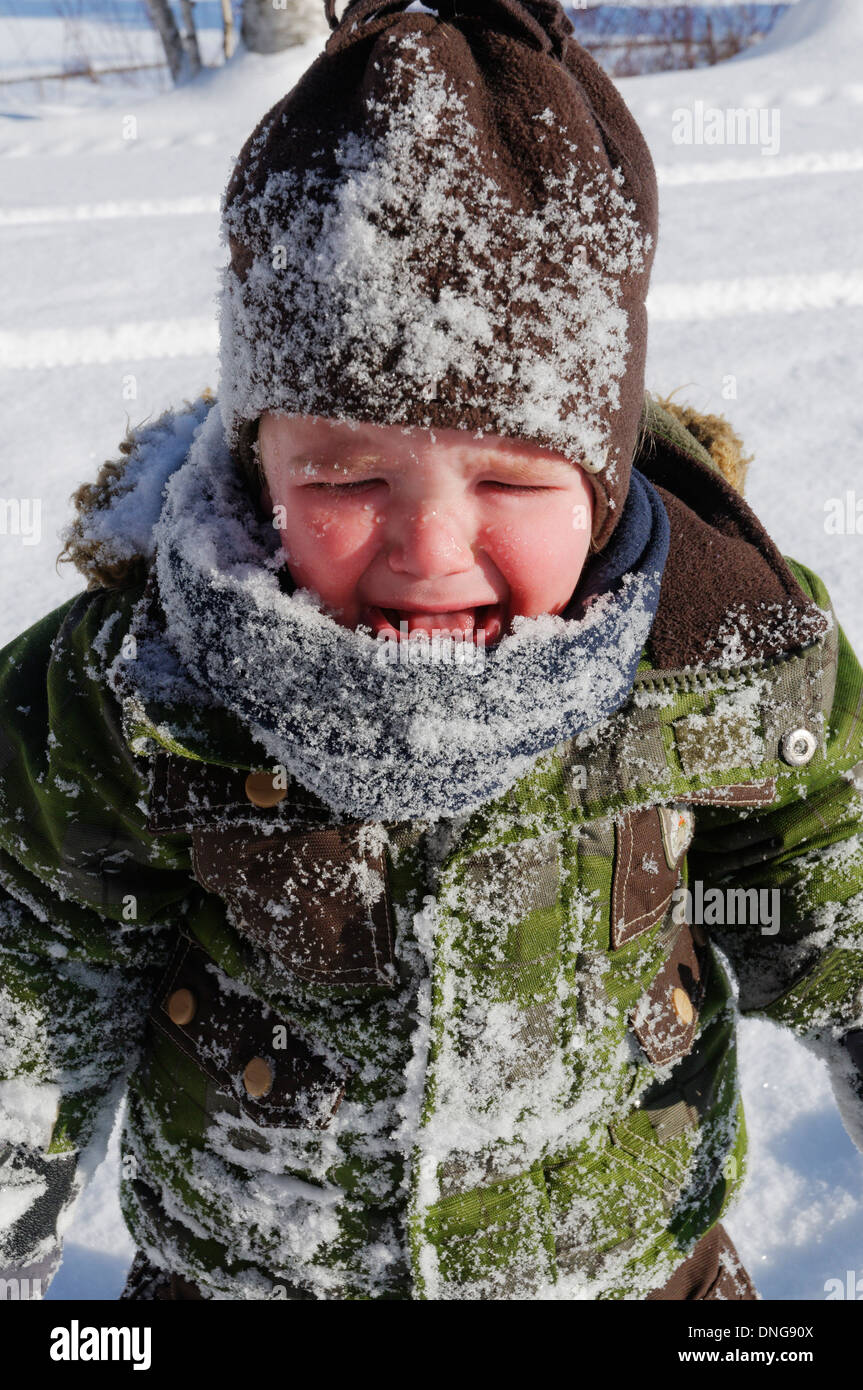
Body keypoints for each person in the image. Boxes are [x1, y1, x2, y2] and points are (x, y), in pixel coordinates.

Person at [1, 0, 861, 1302]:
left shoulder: (716, 655)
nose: (430, 550)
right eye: (346, 473)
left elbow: (832, 877)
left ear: (607, 479)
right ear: (257, 464)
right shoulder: (145, 693)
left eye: (513, 484)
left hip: (632, 1274)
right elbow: (29, 965)